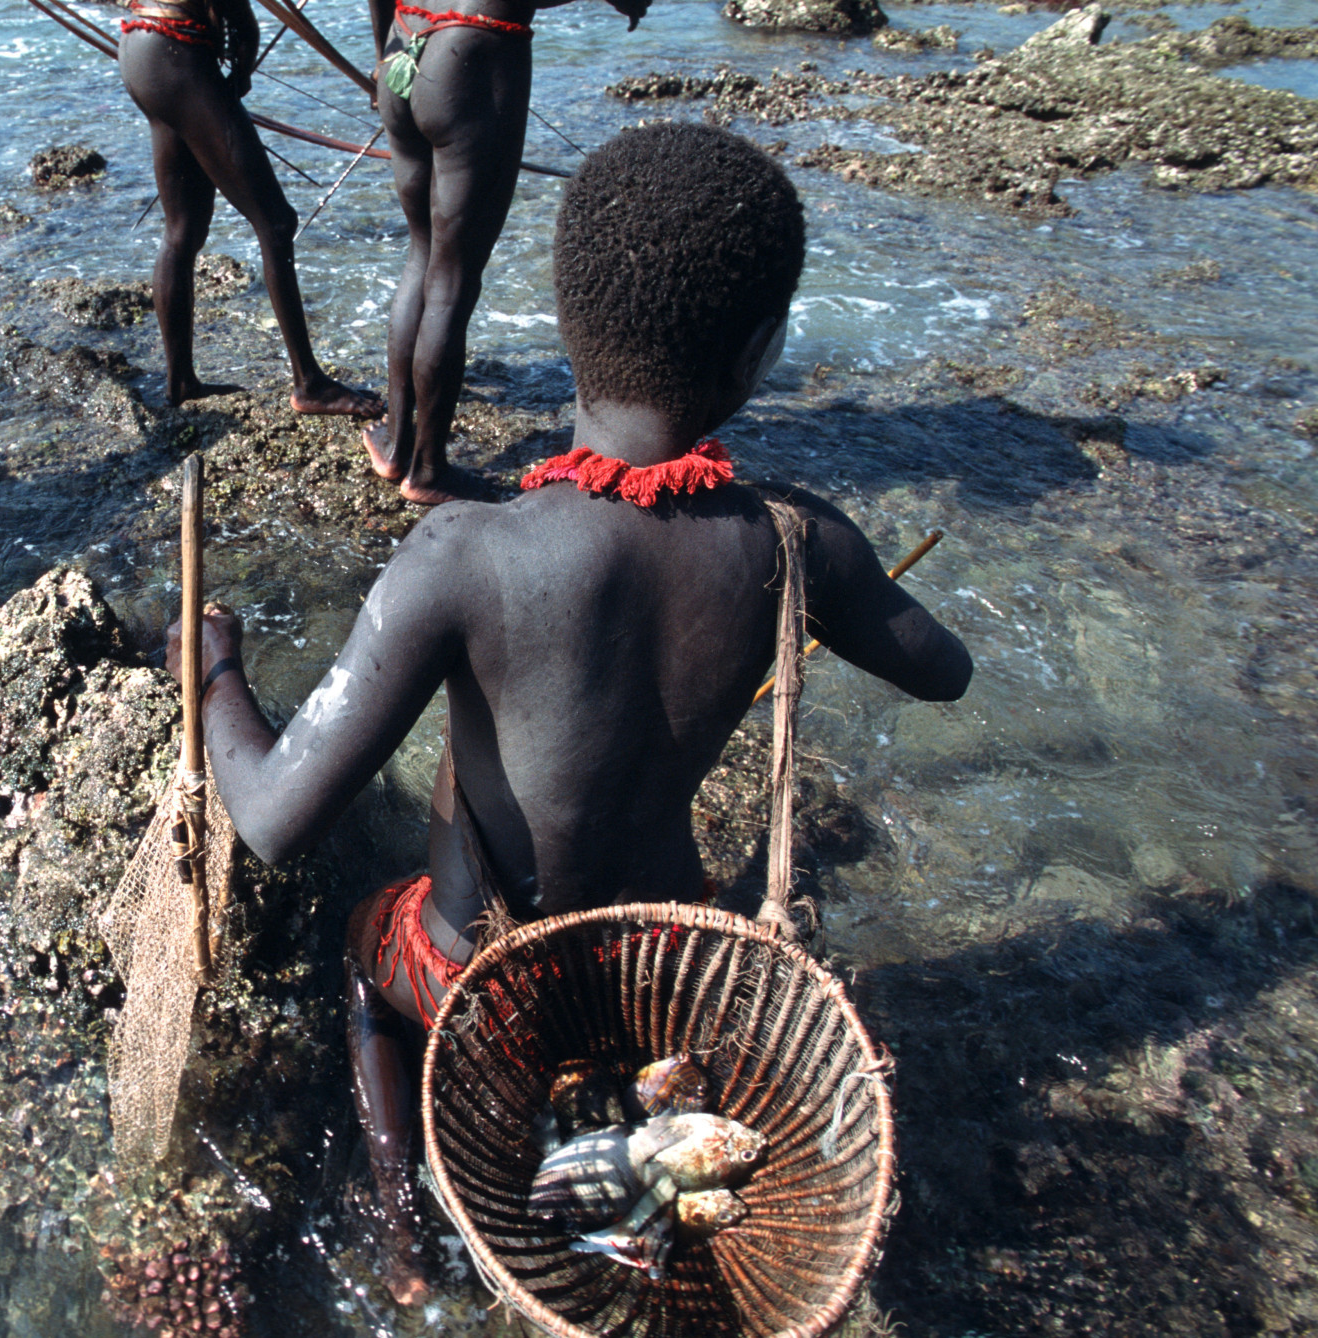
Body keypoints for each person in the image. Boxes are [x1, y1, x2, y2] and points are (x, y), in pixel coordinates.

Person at [167, 123, 972, 1302]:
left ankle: (405, 1237)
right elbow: (942, 672)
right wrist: (824, 590)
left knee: (360, 942)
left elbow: (274, 817)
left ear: (560, 322)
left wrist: (214, 674)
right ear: (756, 353)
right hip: (661, 962)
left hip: (481, 977)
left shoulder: (467, 554)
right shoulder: (797, 538)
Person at [360, 0, 649, 504]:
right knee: (452, 279)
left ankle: (395, 445)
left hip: (402, 42)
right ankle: (429, 472)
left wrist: (381, 51)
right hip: (470, 52)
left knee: (421, 254)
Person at [119, 0, 381, 416]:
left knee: (183, 230)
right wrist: (241, 68)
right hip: (178, 55)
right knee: (277, 223)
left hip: (141, 49)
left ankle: (180, 382)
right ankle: (309, 384)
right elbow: (237, 16)